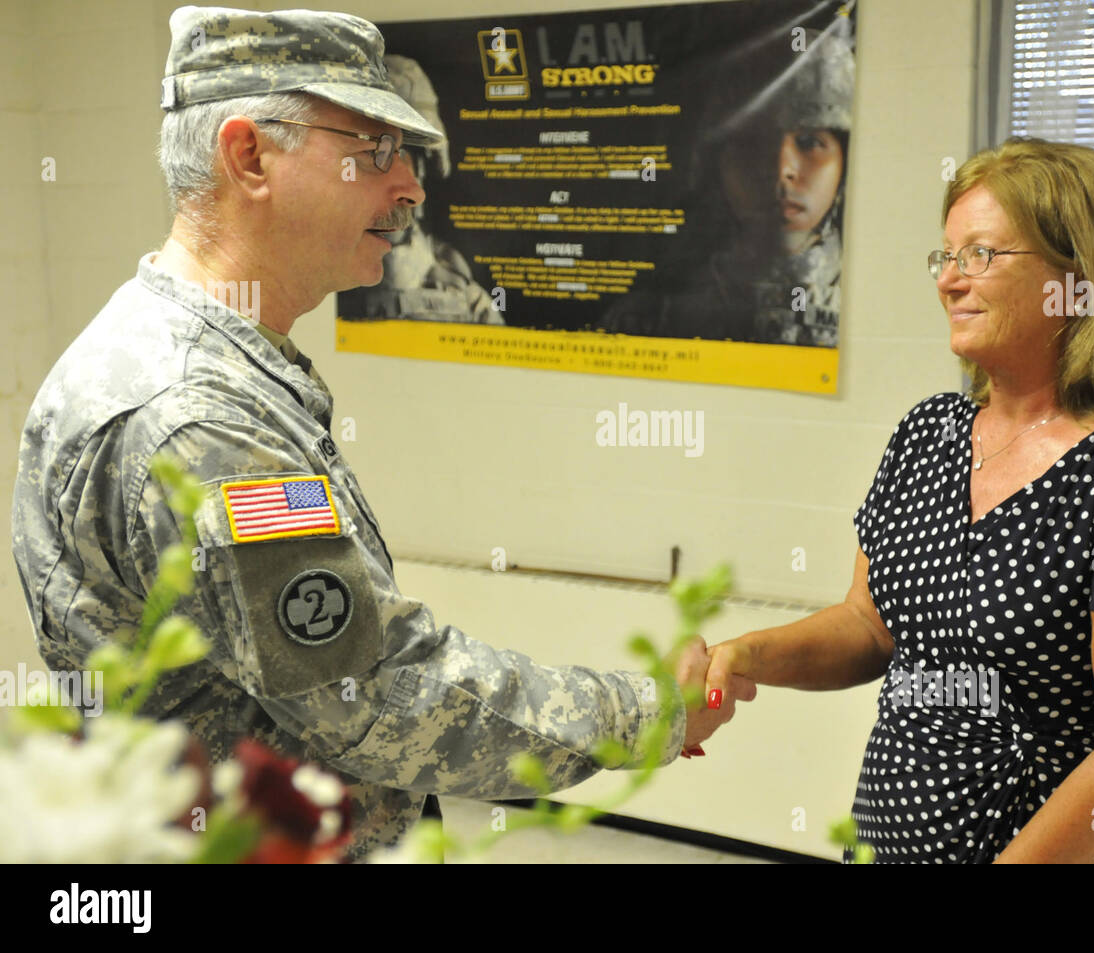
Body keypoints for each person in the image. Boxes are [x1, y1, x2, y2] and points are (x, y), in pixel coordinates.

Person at [9, 5, 752, 862]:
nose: (410, 186)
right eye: (373, 149)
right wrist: (643, 713)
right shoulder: (198, 416)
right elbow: (377, 694)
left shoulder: (185, 351)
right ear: (249, 155)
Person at [704, 137, 1094, 863]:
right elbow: (869, 624)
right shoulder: (929, 433)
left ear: (1079, 280)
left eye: (981, 255)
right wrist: (742, 657)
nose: (949, 281)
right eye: (944, 256)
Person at [599, 23, 852, 347]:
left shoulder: (870, 300)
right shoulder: (652, 312)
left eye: (809, 142)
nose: (782, 170)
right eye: (753, 144)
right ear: (717, 163)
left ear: (843, 161)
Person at [337, 54, 502, 325]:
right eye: (373, 155)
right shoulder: (317, 267)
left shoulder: (465, 297)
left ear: (423, 169)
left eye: (403, 155)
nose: (395, 179)